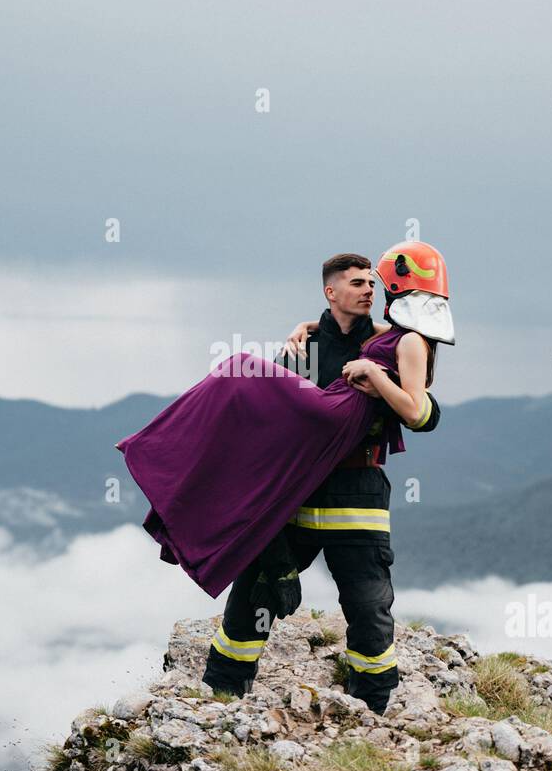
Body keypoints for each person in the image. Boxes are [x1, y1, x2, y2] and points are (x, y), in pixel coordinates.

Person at [115, 241, 455, 716]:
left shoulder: (388, 339)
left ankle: (372, 709)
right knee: (256, 592)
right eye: (358, 284)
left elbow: (423, 406)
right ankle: (223, 698)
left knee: (367, 607)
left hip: (358, 491)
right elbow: (277, 420)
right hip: (295, 490)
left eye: (373, 284)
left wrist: (386, 383)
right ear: (330, 291)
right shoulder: (305, 348)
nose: (369, 292)